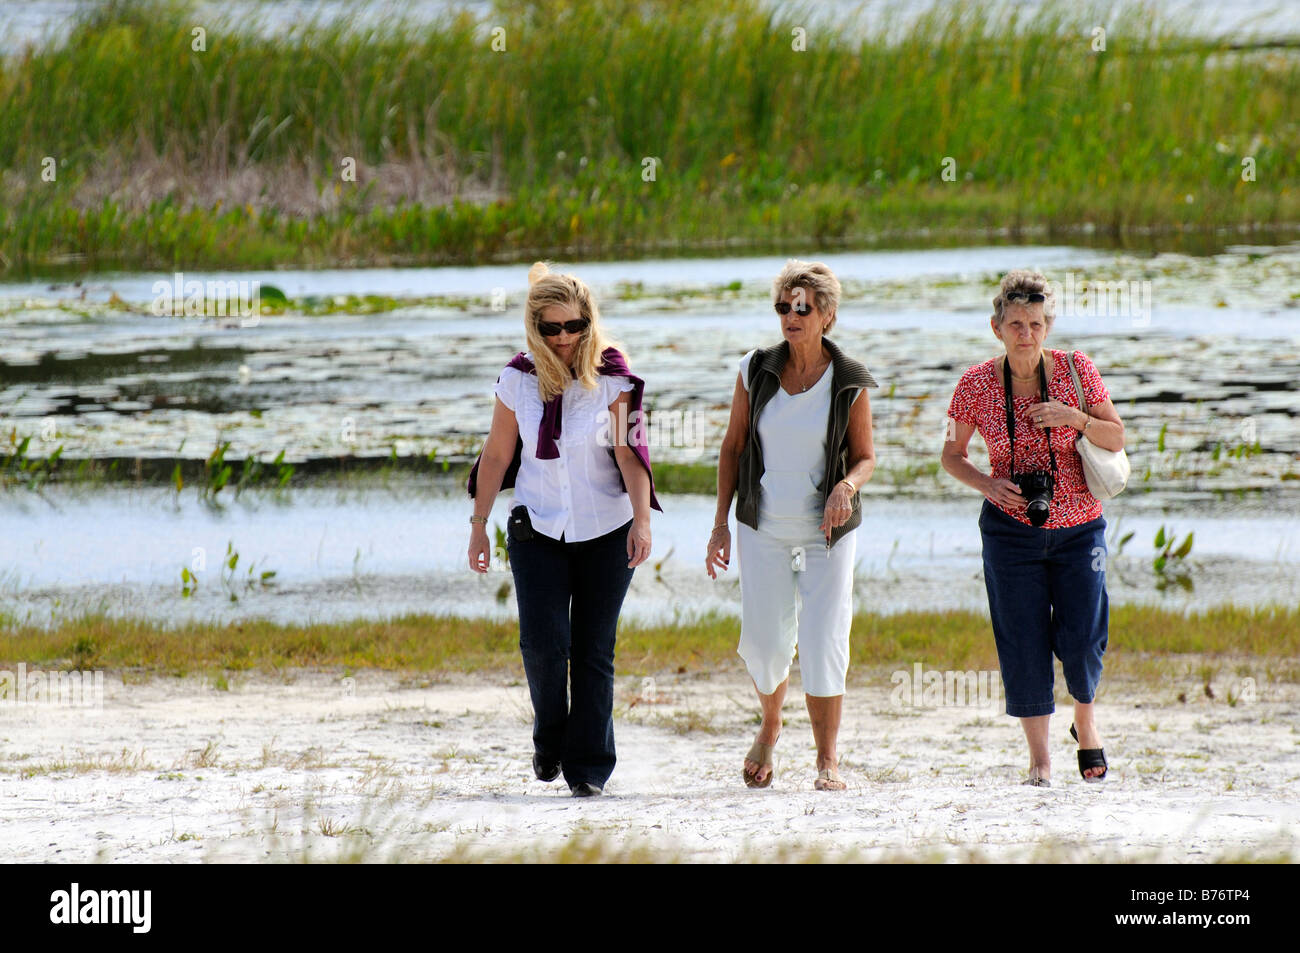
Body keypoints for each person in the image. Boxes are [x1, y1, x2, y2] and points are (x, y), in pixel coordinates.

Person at [467, 262, 660, 797]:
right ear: (535, 329)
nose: (565, 338)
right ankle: (549, 739)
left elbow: (630, 451)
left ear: (588, 321)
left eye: (575, 326)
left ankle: (589, 769)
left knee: (594, 649)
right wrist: (479, 526)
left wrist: (642, 522)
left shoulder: (615, 377)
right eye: (551, 329)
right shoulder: (517, 380)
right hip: (537, 530)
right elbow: (497, 454)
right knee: (543, 647)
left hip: (606, 531)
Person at [941, 269, 1126, 786]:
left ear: (1048, 326)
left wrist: (1074, 417)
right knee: (1021, 640)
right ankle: (1040, 758)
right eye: (1016, 323)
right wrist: (987, 483)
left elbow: (1116, 436)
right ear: (996, 327)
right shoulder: (977, 384)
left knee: (1085, 635)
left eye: (1036, 324)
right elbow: (951, 455)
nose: (1027, 333)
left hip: (1079, 526)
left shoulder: (1074, 370)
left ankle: (1085, 726)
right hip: (1009, 531)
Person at [706, 260, 877, 791]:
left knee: (825, 636)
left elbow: (866, 457)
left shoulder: (850, 380)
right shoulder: (754, 370)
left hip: (829, 530)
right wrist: (719, 526)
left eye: (802, 307)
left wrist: (846, 488)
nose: (790, 316)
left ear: (826, 315)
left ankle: (827, 759)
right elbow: (733, 448)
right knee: (764, 641)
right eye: (783, 306)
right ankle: (772, 724)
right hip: (762, 523)